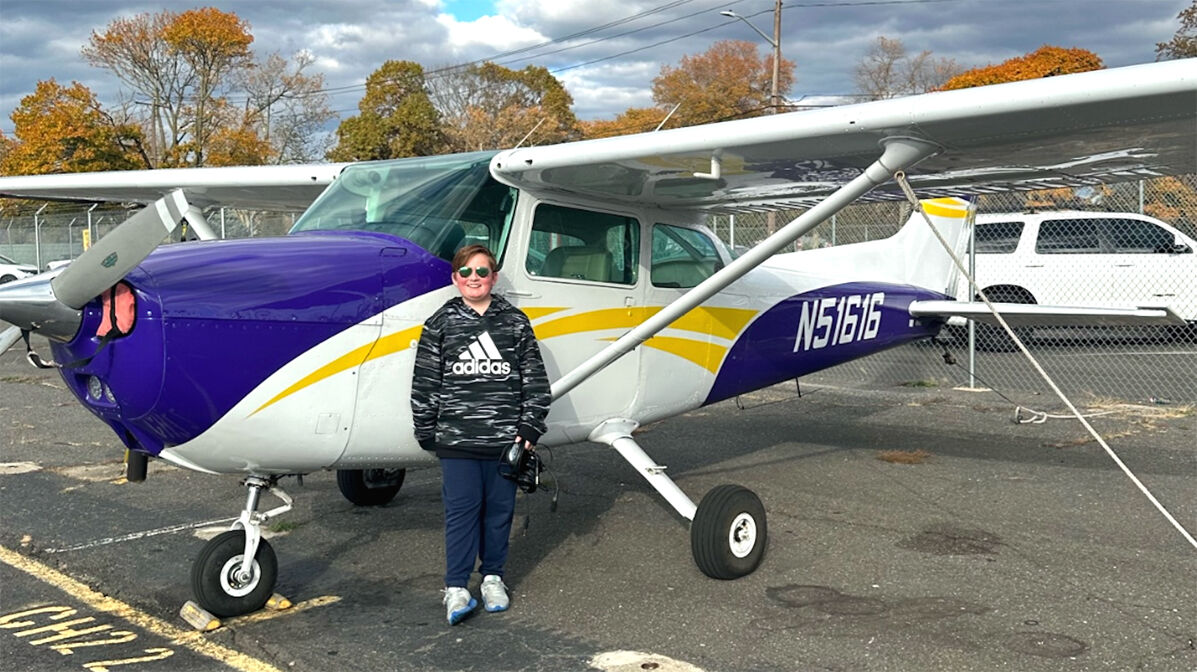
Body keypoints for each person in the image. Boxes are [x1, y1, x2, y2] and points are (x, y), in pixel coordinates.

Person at [411, 244, 551, 626]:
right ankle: (456, 587)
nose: (474, 278)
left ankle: (492, 578)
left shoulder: (515, 322)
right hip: (457, 441)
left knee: (500, 513)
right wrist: (427, 431)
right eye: (466, 272)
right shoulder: (439, 323)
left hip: (505, 441)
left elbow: (536, 383)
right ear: (455, 278)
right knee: (461, 513)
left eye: (482, 272)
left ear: (494, 276)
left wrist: (529, 427)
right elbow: (425, 383)